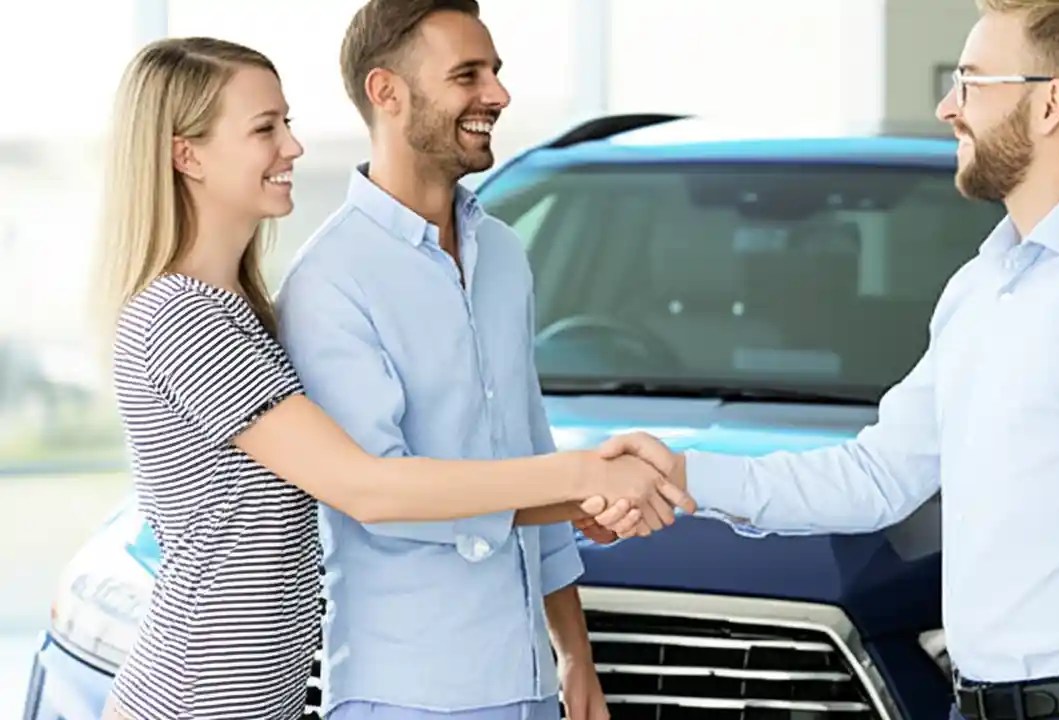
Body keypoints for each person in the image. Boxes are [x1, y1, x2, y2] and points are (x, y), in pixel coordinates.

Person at [592, 1, 1059, 718]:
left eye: (970, 82)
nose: (947, 107)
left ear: (1050, 102)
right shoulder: (981, 287)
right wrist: (687, 474)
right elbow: (877, 475)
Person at [94, 36, 688, 720]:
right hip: (191, 701)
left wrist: (579, 505)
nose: (293, 147)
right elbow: (367, 486)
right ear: (185, 154)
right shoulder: (180, 320)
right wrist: (582, 477)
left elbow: (424, 485)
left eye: (286, 122)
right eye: (265, 128)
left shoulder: (243, 314)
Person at [271, 2, 677, 719]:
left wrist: (574, 654)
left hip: (527, 689)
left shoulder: (505, 257)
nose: (497, 94)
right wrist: (579, 481)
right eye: (468, 74)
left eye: (494, 72)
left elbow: (527, 445)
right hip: (405, 695)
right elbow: (384, 496)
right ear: (386, 92)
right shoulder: (328, 282)